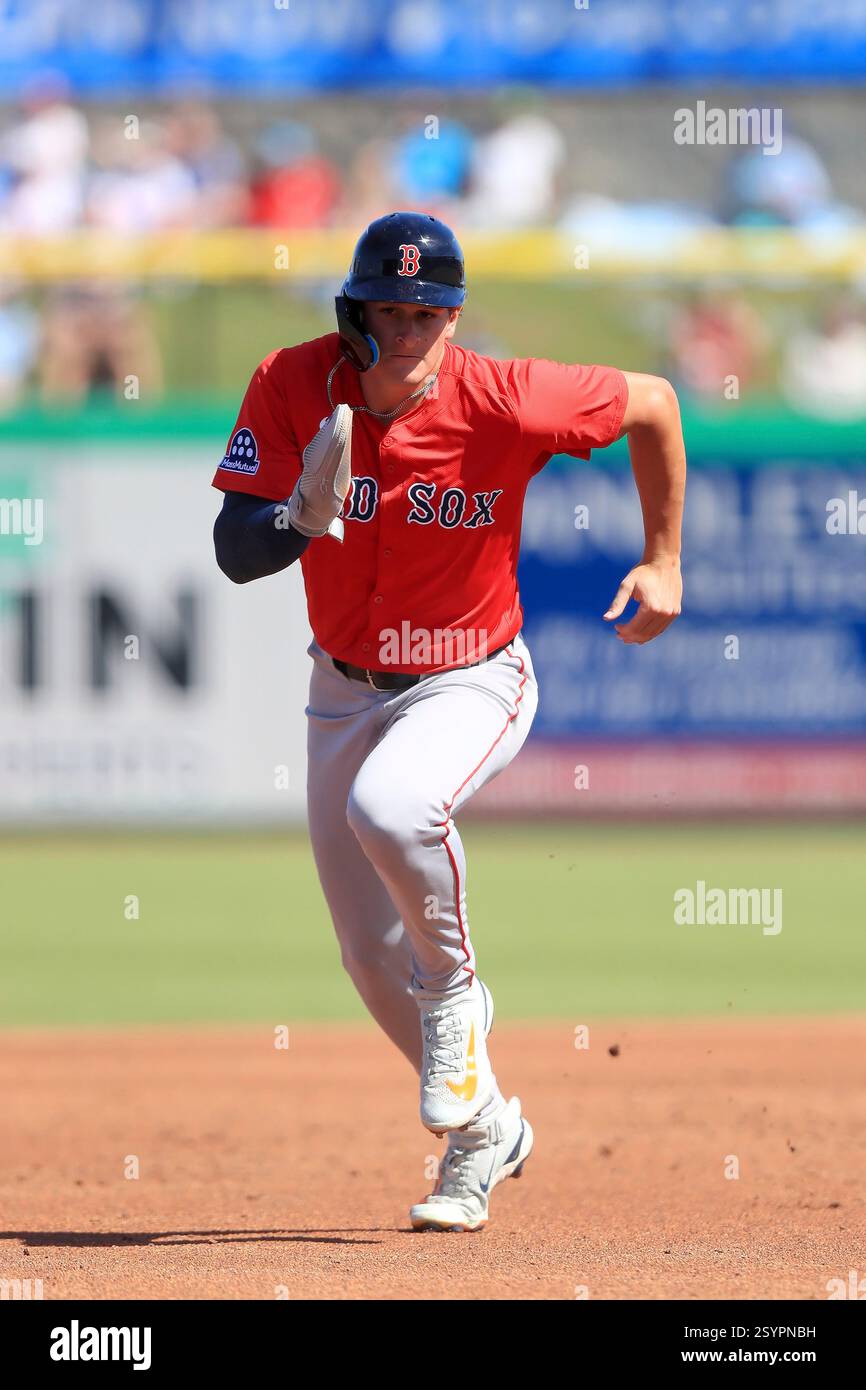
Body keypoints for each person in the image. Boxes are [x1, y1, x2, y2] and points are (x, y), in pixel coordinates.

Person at [211, 211, 685, 1232]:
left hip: (470, 675)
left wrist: (664, 557)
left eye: (428, 309)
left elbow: (652, 402)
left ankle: (458, 1000)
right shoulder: (293, 384)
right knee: (365, 956)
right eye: (389, 305)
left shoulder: (503, 396)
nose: (410, 325)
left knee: (393, 808)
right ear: (353, 311)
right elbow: (232, 549)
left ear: (454, 313)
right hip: (340, 686)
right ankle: (482, 1132)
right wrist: (294, 518)